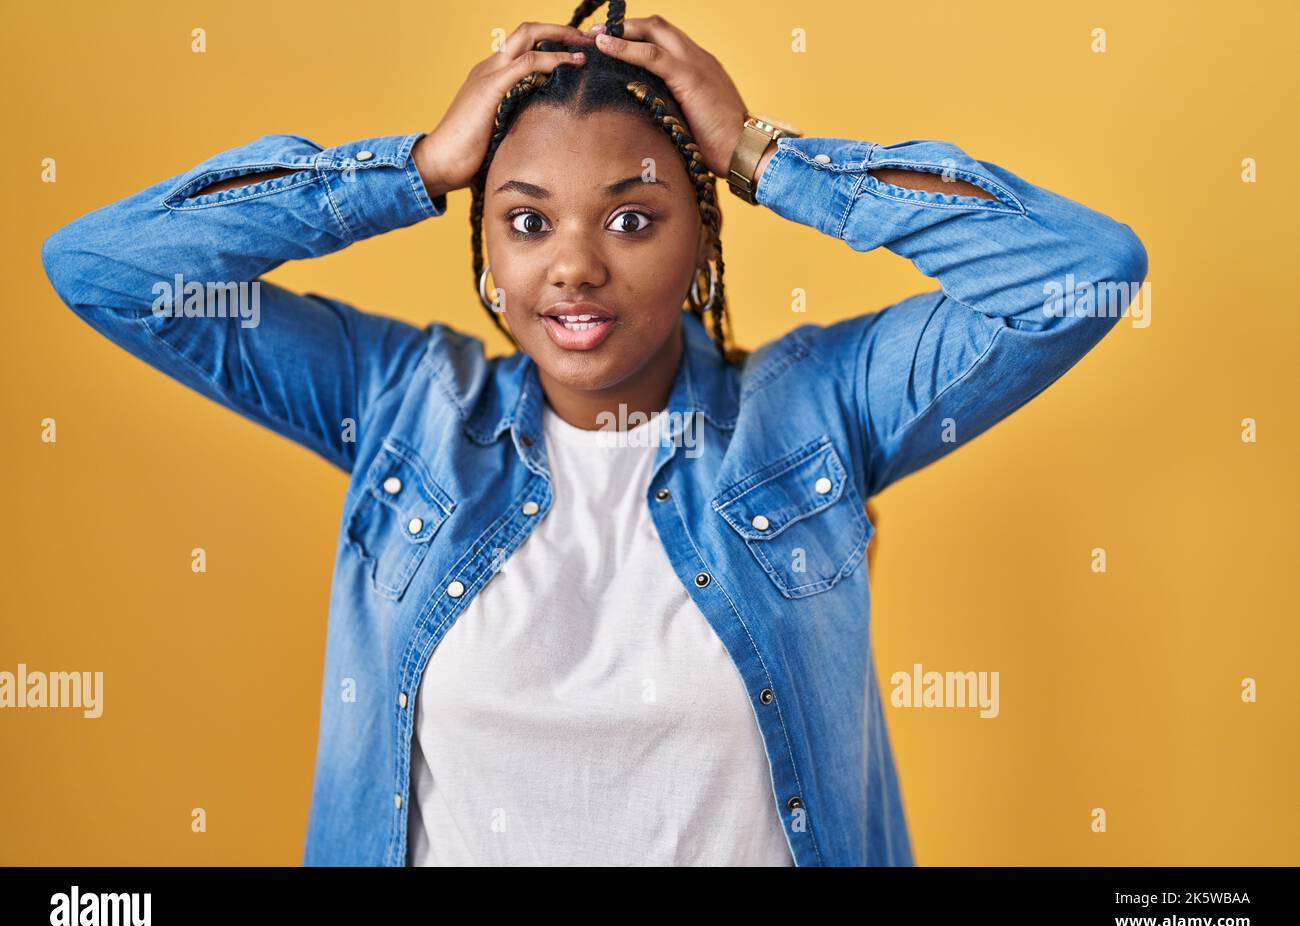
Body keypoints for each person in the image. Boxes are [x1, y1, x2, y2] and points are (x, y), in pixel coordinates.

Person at [40, 1, 1147, 866]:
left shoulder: (814, 410)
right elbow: (104, 269)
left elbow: (1078, 275)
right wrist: (415, 166)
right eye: (526, 220)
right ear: (484, 249)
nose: (573, 264)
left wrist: (768, 157)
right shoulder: (403, 406)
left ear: (700, 244)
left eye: (631, 217)